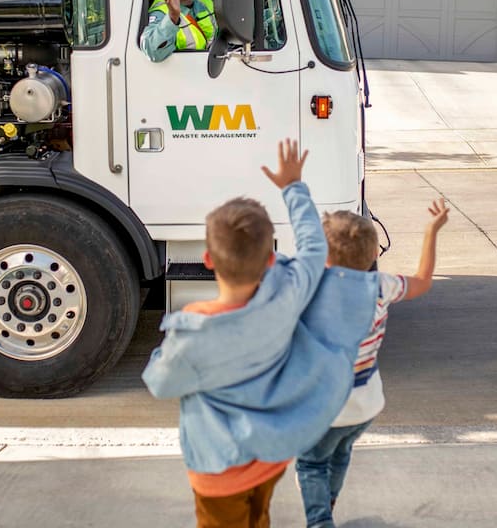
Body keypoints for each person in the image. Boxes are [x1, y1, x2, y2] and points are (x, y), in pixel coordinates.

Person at [142, 140, 379, 528]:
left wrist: (163, 352)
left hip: (219, 470)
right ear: (271, 257)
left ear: (207, 260)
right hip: (270, 458)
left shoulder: (194, 334)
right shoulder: (287, 293)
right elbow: (313, 249)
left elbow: (160, 384)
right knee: (259, 516)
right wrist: (293, 187)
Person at [294, 200, 450, 528]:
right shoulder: (381, 287)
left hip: (324, 411)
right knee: (340, 452)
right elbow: (423, 280)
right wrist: (430, 231)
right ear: (373, 256)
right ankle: (330, 499)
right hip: (365, 408)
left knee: (310, 465)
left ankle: (320, 519)